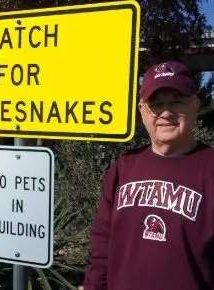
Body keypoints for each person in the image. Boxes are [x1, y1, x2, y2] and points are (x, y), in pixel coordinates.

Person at [83, 61, 214, 290]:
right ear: (143, 111)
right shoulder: (123, 168)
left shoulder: (210, 168)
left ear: (195, 105)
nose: (165, 113)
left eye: (176, 102)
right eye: (156, 105)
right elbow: (102, 248)